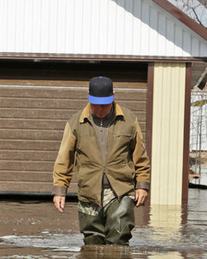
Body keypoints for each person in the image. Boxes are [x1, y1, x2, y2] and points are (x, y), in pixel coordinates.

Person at [52, 76, 150, 245]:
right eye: (96, 104)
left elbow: (140, 156)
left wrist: (142, 186)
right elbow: (64, 159)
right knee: (92, 241)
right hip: (89, 190)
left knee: (119, 237)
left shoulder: (129, 120)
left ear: (113, 96)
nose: (99, 109)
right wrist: (60, 190)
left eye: (104, 104)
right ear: (88, 97)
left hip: (121, 190)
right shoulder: (75, 123)